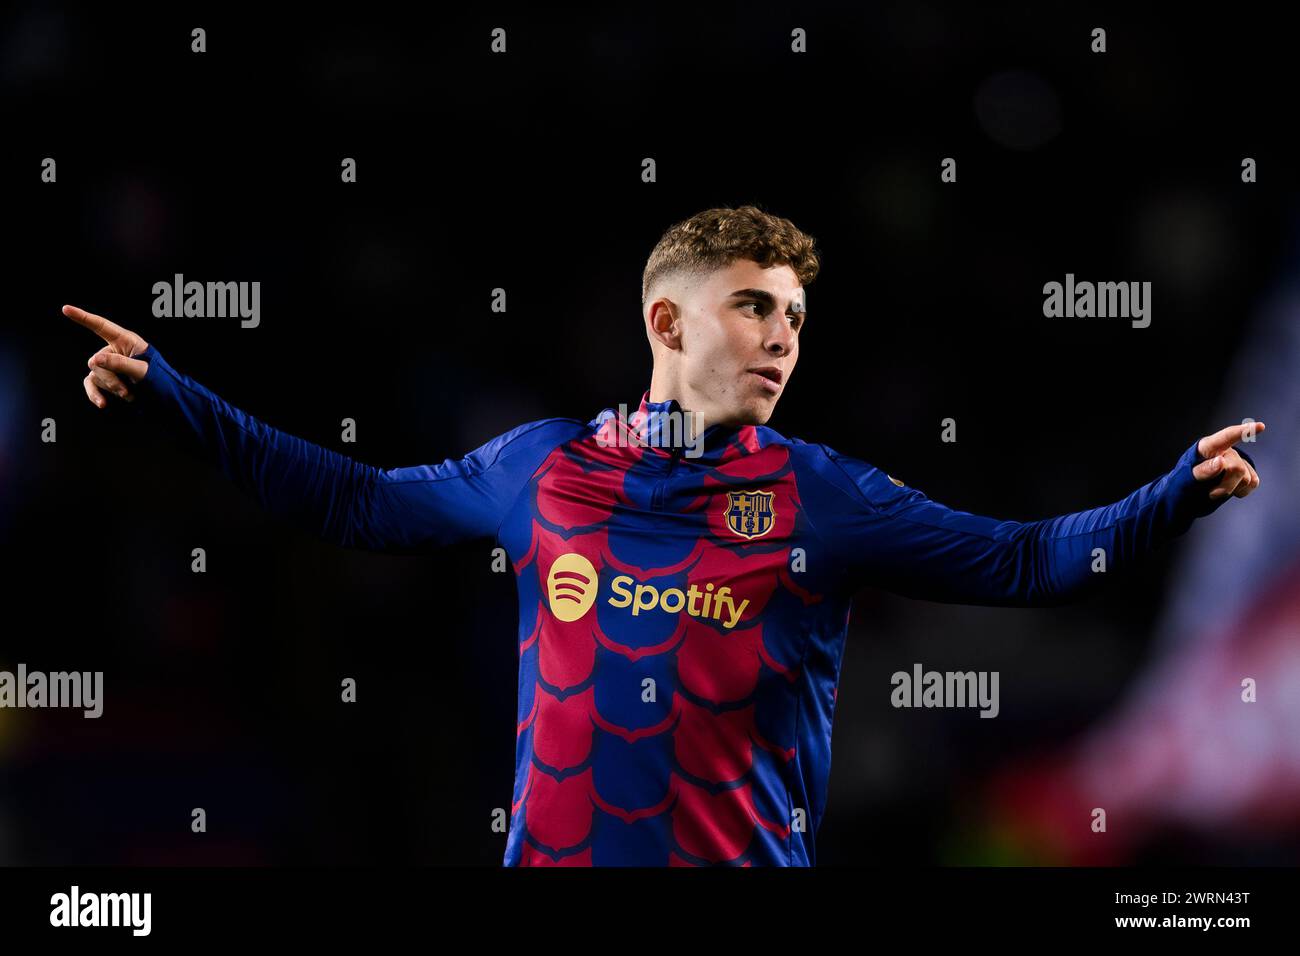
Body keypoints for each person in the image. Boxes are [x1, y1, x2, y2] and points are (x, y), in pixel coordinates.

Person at [65, 205, 1263, 866]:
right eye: (753, 305)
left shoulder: (823, 495)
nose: (783, 336)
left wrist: (1170, 496)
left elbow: (1027, 561)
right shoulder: (539, 468)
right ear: (663, 317)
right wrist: (174, 391)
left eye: (794, 315)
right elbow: (352, 499)